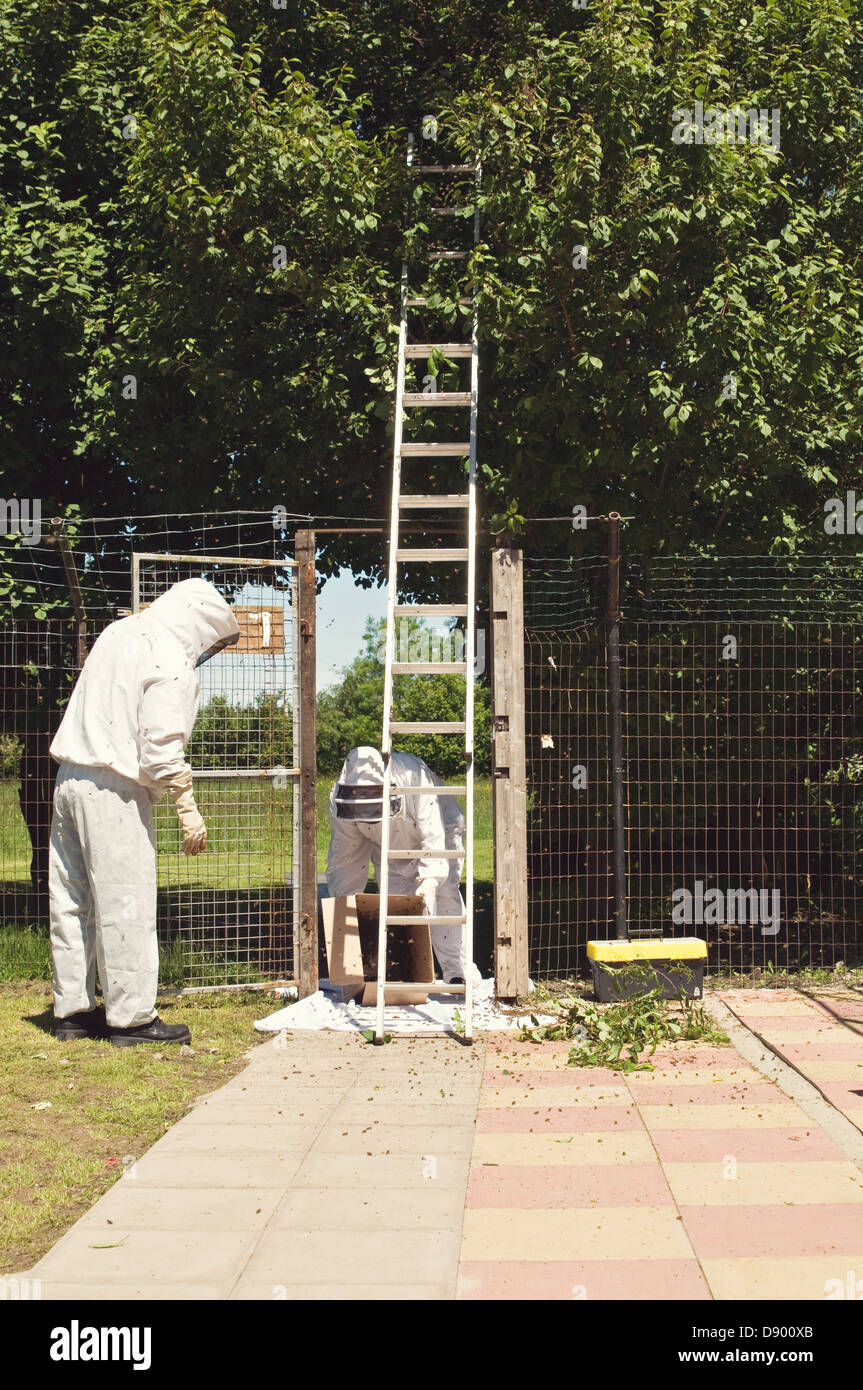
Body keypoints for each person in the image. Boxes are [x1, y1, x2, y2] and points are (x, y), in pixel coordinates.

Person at [48, 578, 239, 1046]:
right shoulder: (171, 659)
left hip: (69, 778)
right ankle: (132, 1019)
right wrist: (187, 807)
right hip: (115, 788)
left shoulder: (117, 632)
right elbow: (160, 748)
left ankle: (71, 1011)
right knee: (125, 901)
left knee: (71, 902)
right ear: (200, 623)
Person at [326, 745, 480, 986]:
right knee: (397, 903)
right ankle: (405, 975)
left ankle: (457, 972)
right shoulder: (340, 800)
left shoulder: (413, 776)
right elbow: (346, 858)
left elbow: (433, 835)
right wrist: (346, 908)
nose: (366, 810)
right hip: (388, 847)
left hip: (442, 828)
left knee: (443, 892)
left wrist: (429, 882)